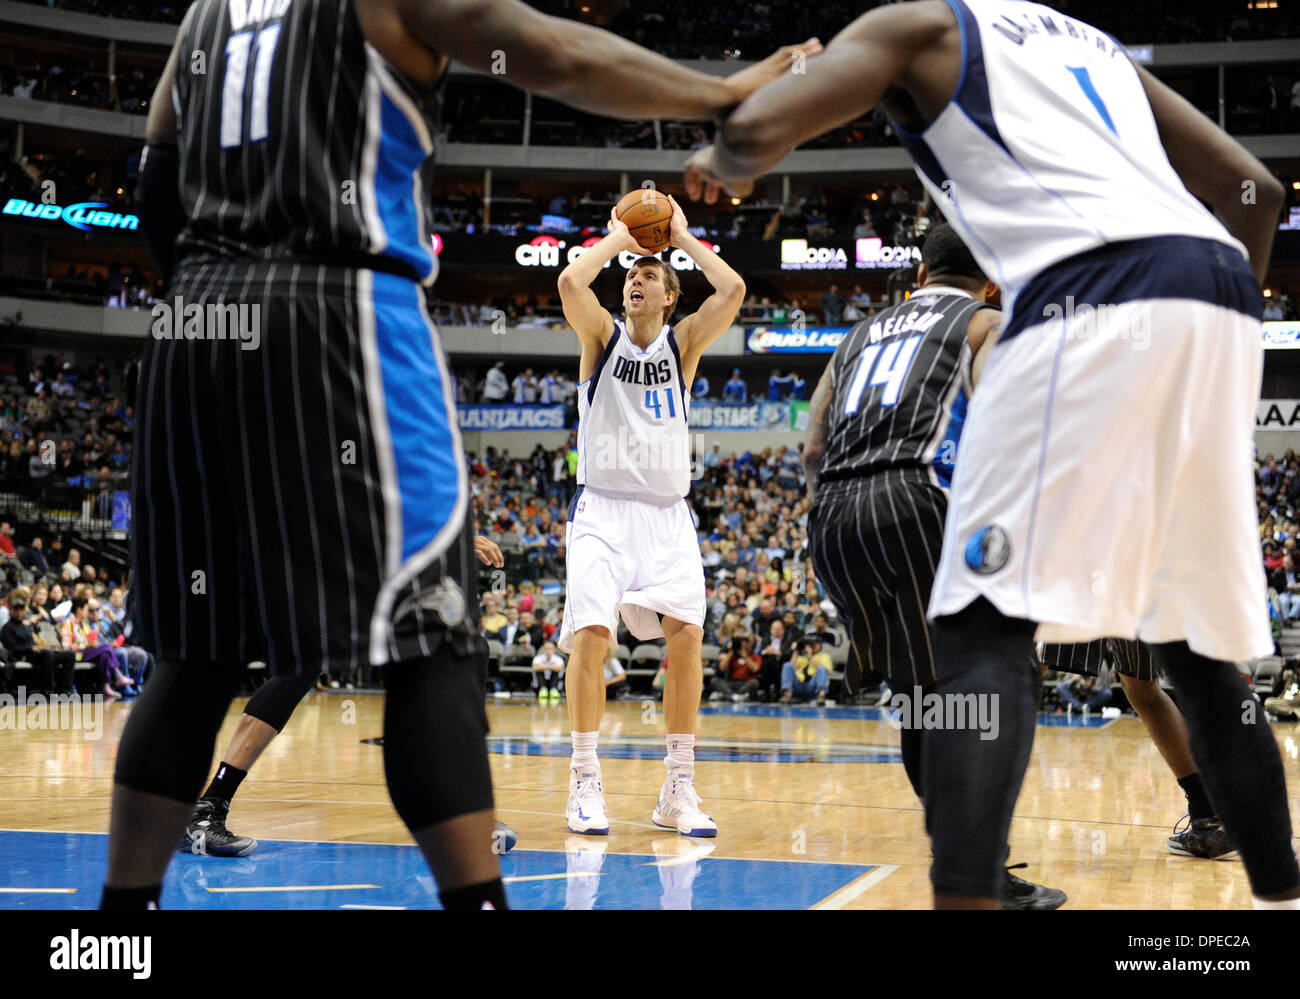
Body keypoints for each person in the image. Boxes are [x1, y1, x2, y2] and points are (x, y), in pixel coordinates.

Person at [109, 0, 818, 912]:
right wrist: (724, 91)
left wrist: (214, 297)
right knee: (430, 644)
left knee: (192, 656)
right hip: (340, 310)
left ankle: (117, 926)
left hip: (195, 322)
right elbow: (552, 50)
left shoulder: (208, 14)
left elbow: (155, 184)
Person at [688, 0, 1300, 909]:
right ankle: (1278, 902)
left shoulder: (916, 29)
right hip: (1214, 288)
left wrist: (724, 154)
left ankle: (974, 897)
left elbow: (756, 129)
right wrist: (1212, 322)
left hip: (1089, 291)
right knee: (1194, 648)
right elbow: (1256, 187)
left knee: (977, 640)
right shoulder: (1090, 44)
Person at [799, 223, 1063, 908]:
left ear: (918, 274)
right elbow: (1013, 432)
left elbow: (812, 434)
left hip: (831, 516)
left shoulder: (859, 333)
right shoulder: (984, 322)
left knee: (919, 691)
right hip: (917, 498)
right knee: (990, 678)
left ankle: (969, 861)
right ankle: (981, 875)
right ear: (993, 278)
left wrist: (839, 505)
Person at [556, 191, 753, 840]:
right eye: (630, 278)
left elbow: (732, 288)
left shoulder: (685, 342)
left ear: (671, 295)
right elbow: (569, 279)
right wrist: (620, 238)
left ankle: (678, 786)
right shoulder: (601, 336)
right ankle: (585, 780)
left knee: (688, 637)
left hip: (668, 517)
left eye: (648, 276)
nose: (635, 280)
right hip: (603, 512)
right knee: (591, 634)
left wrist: (682, 239)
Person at [779, 637, 831, 704]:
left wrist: (810, 657)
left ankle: (821, 696)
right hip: (799, 685)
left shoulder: (824, 656)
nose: (815, 646)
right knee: (787, 665)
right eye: (813, 644)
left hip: (813, 685)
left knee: (822, 669)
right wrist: (795, 651)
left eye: (817, 644)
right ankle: (787, 695)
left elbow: (826, 670)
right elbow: (791, 668)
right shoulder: (801, 657)